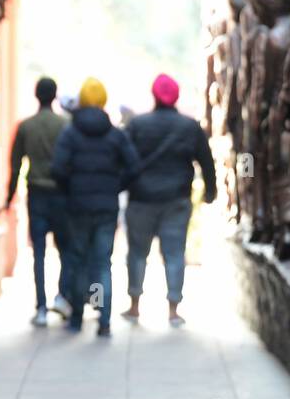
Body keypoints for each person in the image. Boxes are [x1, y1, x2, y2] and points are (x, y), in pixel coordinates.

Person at [121, 73, 216, 327]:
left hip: (141, 199)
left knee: (138, 253)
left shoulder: (137, 125)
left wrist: (120, 186)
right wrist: (210, 192)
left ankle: (134, 306)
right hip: (176, 200)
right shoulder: (190, 127)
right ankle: (173, 310)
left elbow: (123, 159)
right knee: (174, 254)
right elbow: (206, 161)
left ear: (154, 95)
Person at [51, 77, 142, 337]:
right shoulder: (115, 135)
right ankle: (103, 319)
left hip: (77, 207)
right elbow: (134, 167)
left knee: (78, 261)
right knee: (102, 264)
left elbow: (58, 168)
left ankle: (78, 318)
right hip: (105, 208)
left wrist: (70, 189)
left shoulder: (70, 133)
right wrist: (115, 186)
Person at [7, 77, 71, 326]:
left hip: (36, 193)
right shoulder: (65, 125)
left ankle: (41, 306)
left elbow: (15, 166)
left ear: (36, 95)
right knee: (64, 249)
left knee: (39, 253)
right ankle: (62, 296)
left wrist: (9, 196)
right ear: (54, 96)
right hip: (60, 194)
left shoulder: (26, 127)